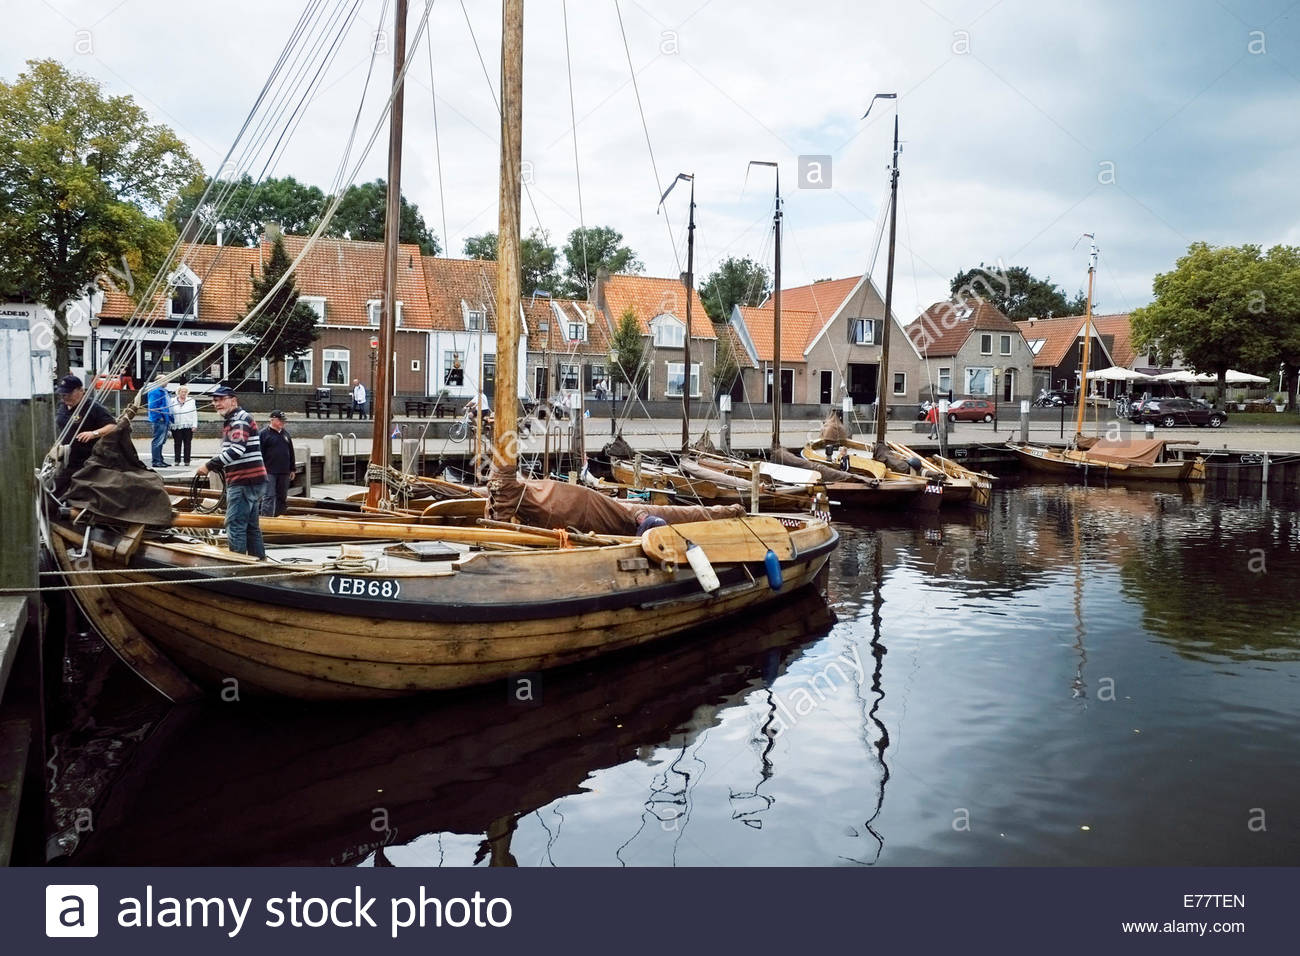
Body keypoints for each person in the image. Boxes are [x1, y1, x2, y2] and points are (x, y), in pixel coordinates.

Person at [196, 385, 267, 558]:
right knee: (251, 527)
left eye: (221, 399)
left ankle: (237, 566)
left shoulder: (239, 420)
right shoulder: (237, 419)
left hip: (244, 481)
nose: (217, 403)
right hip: (254, 480)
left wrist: (209, 466)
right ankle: (259, 562)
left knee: (234, 525)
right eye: (215, 400)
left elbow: (236, 450)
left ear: (233, 401)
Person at [53, 374, 116, 494]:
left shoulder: (93, 407)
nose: (64, 397)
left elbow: (112, 426)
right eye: (62, 394)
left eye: (68, 394)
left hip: (86, 459)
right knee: (54, 488)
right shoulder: (62, 406)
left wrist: (94, 433)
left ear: (81, 391)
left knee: (75, 489)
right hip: (65, 457)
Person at [259, 410, 296, 517]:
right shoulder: (263, 434)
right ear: (272, 420)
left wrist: (292, 468)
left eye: (283, 421)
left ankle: (280, 518)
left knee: (282, 497)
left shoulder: (285, 434)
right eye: (280, 420)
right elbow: (259, 453)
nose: (282, 423)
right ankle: (267, 519)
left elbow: (291, 451)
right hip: (269, 471)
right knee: (269, 496)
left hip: (284, 471)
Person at [146, 374, 172, 467]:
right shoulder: (156, 391)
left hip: (164, 418)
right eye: (165, 380)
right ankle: (156, 461)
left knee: (161, 440)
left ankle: (160, 459)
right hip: (160, 419)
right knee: (158, 440)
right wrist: (159, 417)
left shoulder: (163, 391)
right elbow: (153, 406)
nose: (167, 381)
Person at [169, 385, 198, 466]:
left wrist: (194, 425)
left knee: (187, 443)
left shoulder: (191, 401)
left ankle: (187, 461)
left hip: (188, 425)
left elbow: (194, 413)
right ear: (178, 392)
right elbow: (170, 413)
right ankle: (177, 461)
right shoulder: (172, 401)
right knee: (177, 443)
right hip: (176, 425)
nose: (184, 393)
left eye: (185, 392)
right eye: (182, 391)